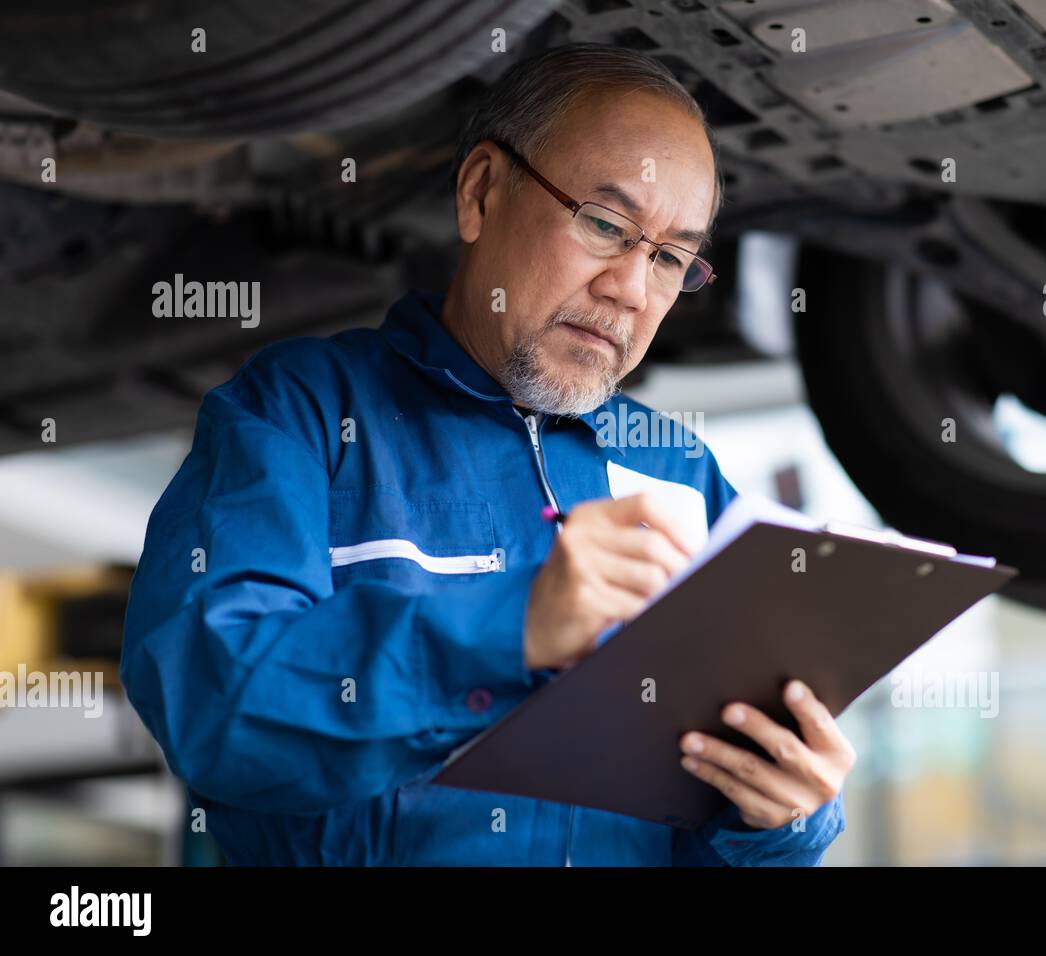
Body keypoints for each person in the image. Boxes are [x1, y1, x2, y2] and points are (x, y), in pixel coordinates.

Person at [121, 42, 854, 866]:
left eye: (671, 257)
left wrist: (785, 823)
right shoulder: (302, 414)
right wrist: (513, 628)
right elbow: (210, 708)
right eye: (606, 224)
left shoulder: (679, 472)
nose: (632, 289)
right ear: (480, 193)